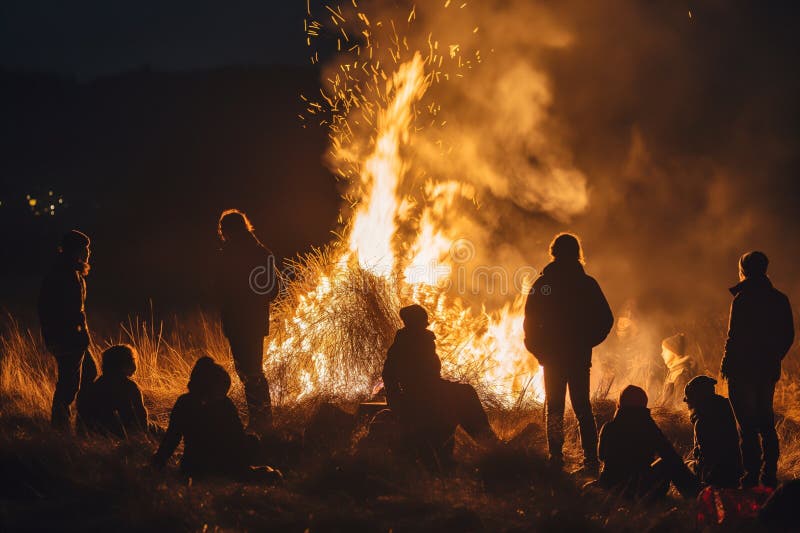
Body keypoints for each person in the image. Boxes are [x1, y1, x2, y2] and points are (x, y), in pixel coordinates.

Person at [523, 233, 613, 475]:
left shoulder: (544, 284)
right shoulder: (586, 284)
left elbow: (529, 322)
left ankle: (555, 458)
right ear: (577, 254)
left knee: (554, 408)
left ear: (553, 253)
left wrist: (538, 351)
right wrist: (587, 342)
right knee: (582, 407)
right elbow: (606, 319)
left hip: (552, 358)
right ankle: (591, 461)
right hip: (577, 356)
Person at [382, 304, 497, 466]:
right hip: (421, 395)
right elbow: (392, 375)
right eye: (422, 322)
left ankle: (488, 441)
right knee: (465, 394)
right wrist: (396, 400)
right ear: (415, 323)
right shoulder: (406, 343)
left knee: (465, 392)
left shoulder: (416, 340)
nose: (425, 325)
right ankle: (489, 443)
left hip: (430, 390)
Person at [721, 251, 794, 488]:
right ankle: (769, 474)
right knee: (766, 422)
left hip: (742, 371)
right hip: (766, 371)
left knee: (747, 426)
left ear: (744, 270)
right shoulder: (780, 299)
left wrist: (726, 364)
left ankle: (751, 475)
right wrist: (774, 358)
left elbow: (734, 337)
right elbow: (788, 336)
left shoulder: (742, 300)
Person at [152, 357, 280, 482]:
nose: (224, 395)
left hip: (193, 465)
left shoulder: (184, 402)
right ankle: (261, 474)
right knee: (253, 441)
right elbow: (238, 438)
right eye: (223, 391)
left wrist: (158, 462)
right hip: (223, 464)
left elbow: (172, 437)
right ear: (211, 386)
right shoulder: (224, 405)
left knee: (250, 443)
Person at [216, 209, 279, 435]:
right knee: (253, 370)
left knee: (247, 371)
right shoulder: (263, 253)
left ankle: (260, 420)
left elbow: (220, 289)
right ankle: (262, 418)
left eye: (223, 229)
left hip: (238, 322)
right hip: (254, 322)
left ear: (229, 230)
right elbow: (273, 291)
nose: (221, 233)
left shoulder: (229, 255)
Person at [38, 229, 98, 430]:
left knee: (88, 372)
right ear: (77, 251)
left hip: (66, 336)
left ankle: (84, 421)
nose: (89, 253)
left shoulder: (66, 272)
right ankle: (60, 428)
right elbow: (74, 310)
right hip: (69, 337)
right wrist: (84, 334)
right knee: (69, 385)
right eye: (86, 249)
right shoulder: (67, 275)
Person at [597, 385, 700, 500]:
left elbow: (601, 456)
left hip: (610, 487)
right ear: (643, 403)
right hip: (639, 489)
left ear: (620, 403)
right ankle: (696, 495)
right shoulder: (648, 427)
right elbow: (669, 454)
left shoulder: (609, 427)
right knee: (668, 462)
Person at [77, 344, 149, 438]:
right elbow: (141, 415)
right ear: (125, 365)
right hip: (127, 432)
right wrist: (144, 436)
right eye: (133, 360)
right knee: (159, 430)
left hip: (101, 432)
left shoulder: (98, 384)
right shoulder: (130, 386)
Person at [683, 375, 742, 488]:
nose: (688, 405)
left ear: (696, 399)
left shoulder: (702, 421)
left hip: (717, 479)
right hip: (737, 472)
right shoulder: (729, 410)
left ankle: (693, 496)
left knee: (685, 465)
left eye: (689, 401)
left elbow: (707, 458)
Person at [660, 333, 697, 406]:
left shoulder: (682, 376)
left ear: (674, 351)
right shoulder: (674, 373)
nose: (662, 354)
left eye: (664, 350)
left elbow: (680, 406)